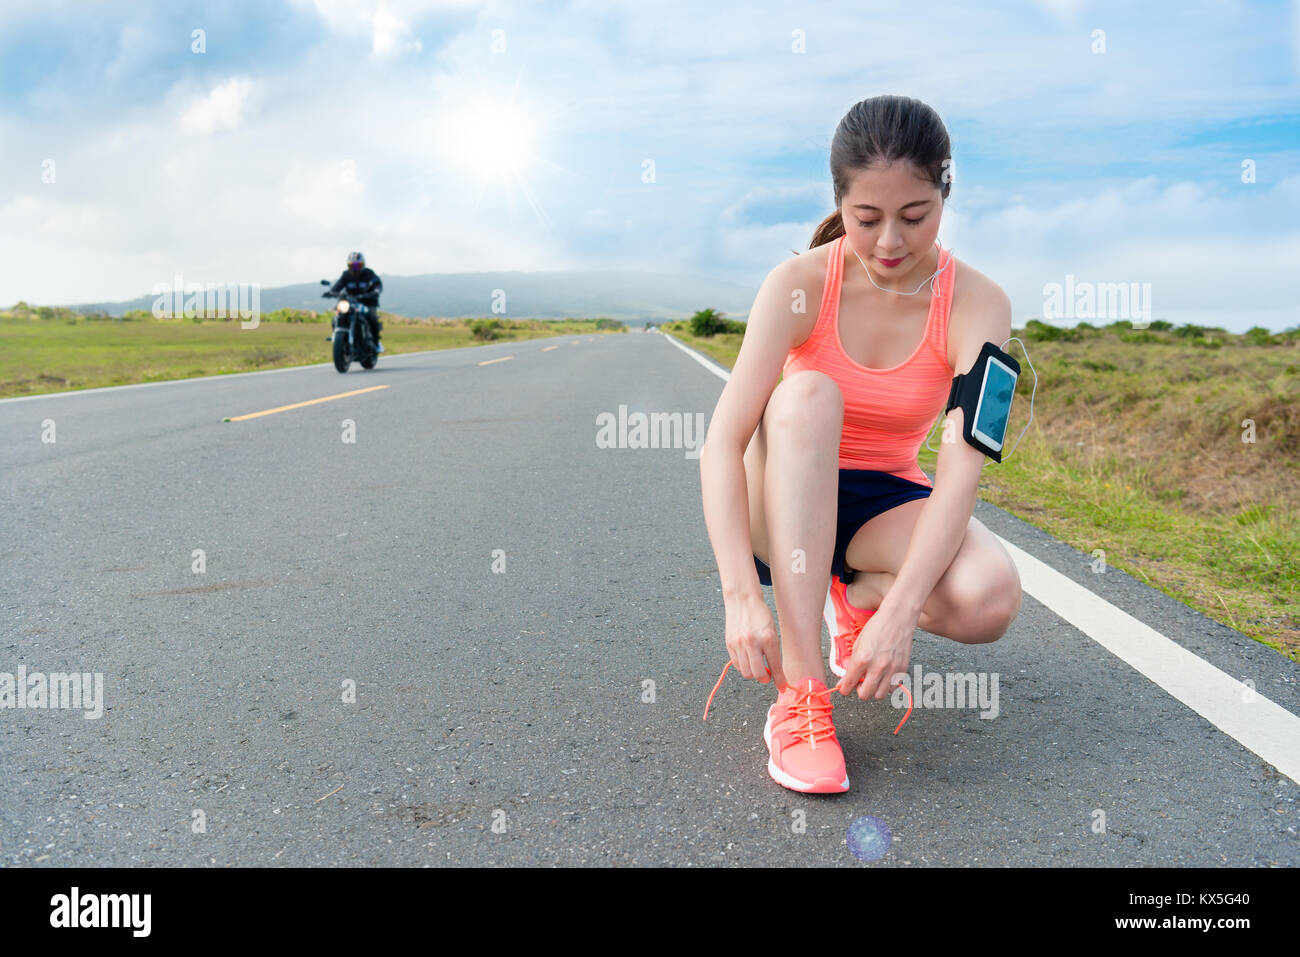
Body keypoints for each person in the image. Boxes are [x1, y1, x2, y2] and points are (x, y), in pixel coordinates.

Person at [698, 95, 1024, 794]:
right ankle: (801, 695)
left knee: (989, 595)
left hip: (881, 504)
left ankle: (856, 597)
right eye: (866, 219)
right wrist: (736, 595)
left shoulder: (981, 302)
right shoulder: (797, 286)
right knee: (811, 393)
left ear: (945, 194)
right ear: (839, 202)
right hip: (779, 490)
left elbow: (961, 472)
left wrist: (901, 610)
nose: (890, 244)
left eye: (915, 216)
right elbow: (722, 442)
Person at [326, 251, 384, 352]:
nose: (355, 268)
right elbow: (338, 285)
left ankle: (376, 342)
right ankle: (337, 338)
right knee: (337, 316)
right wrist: (331, 292)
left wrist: (376, 291)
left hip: (367, 301)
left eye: (357, 265)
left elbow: (377, 284)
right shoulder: (346, 275)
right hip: (350, 302)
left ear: (363, 265)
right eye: (352, 265)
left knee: (372, 317)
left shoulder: (369, 274)